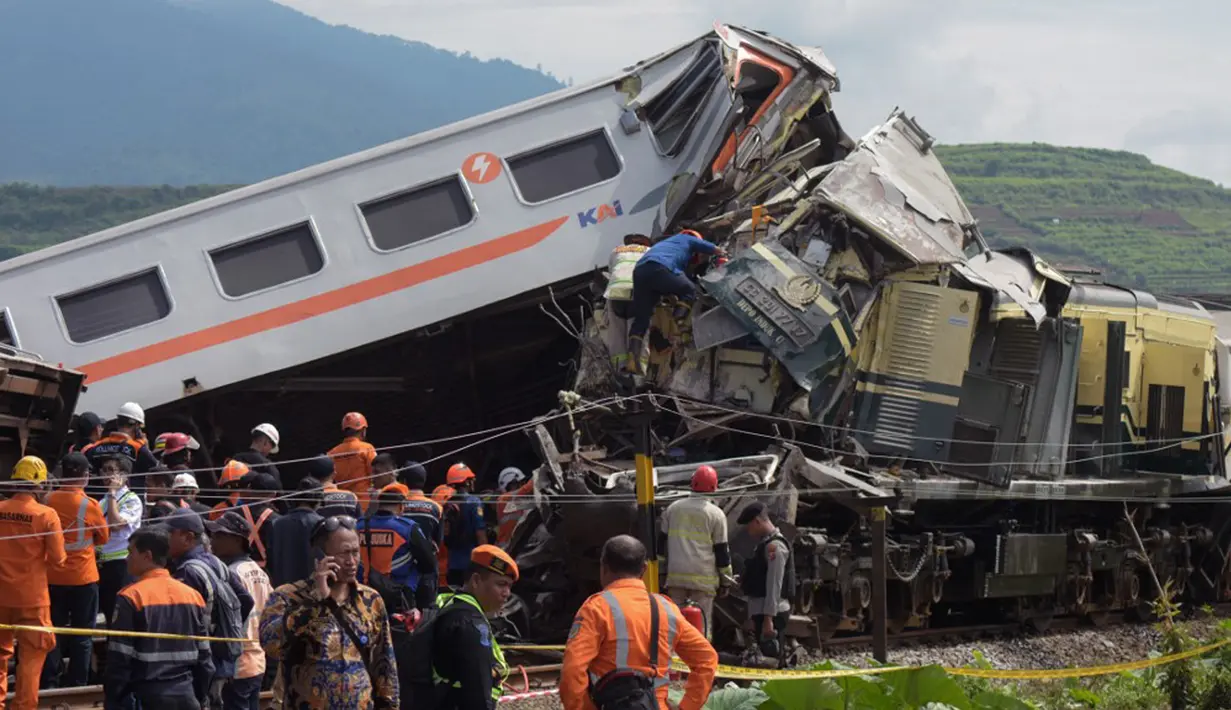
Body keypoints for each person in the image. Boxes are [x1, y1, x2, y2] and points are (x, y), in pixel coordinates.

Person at [561, 535, 717, 710]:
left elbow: (572, 671)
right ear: (643, 569)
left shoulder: (596, 608)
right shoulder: (666, 608)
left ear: (603, 567)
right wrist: (687, 706)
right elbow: (707, 660)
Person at [259, 516, 398, 710]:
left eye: (355, 553)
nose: (351, 562)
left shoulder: (370, 600)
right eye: (344, 554)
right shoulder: (288, 597)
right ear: (320, 556)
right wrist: (317, 601)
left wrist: (390, 705)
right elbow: (271, 645)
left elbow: (385, 664)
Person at [105, 528, 214, 710]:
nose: (127, 558)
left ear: (147, 555)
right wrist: (200, 697)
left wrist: (114, 700)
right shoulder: (192, 596)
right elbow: (205, 658)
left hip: (146, 698)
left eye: (131, 552)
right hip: (186, 696)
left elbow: (119, 660)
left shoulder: (131, 597)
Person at [164, 508, 255, 704]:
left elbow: (185, 622)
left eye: (170, 533)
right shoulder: (216, 562)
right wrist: (228, 629)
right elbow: (246, 600)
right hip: (221, 659)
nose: (166, 539)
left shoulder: (188, 571)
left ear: (188, 538)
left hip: (203, 662)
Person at [0, 456, 66, 709]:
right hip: (32, 600)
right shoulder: (46, 515)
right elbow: (59, 559)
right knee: (31, 657)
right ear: (39, 484)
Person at [43, 453, 110, 689]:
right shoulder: (88, 505)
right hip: (84, 578)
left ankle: (50, 681)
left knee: (53, 631)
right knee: (83, 635)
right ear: (85, 476)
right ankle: (78, 682)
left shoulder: (47, 500)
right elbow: (103, 537)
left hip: (53, 576)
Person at [430, 545, 519, 710]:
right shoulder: (472, 624)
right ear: (476, 581)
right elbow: (477, 693)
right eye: (501, 584)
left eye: (509, 587)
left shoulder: (450, 605)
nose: (507, 593)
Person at [625, 231, 725, 373]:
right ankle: (679, 323)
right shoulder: (687, 238)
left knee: (642, 319)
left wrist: (675, 302)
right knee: (690, 290)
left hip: (640, 272)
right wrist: (723, 253)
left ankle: (632, 360)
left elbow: (669, 287)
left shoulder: (665, 245)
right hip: (659, 266)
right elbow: (711, 248)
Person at [208, 513, 273, 710]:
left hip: (238, 663)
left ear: (237, 540)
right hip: (256, 661)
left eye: (219, 536)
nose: (213, 541)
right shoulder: (258, 571)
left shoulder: (232, 573)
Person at [659, 464, 732, 639]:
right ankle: (700, 663)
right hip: (703, 581)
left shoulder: (673, 508)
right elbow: (722, 551)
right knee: (701, 627)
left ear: (692, 483)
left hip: (676, 577)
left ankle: (673, 662)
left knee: (674, 627)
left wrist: (661, 573)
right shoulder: (716, 514)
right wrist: (726, 581)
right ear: (714, 486)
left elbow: (661, 546)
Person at [356, 484, 437, 612]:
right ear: (401, 506)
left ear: (379, 504)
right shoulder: (407, 528)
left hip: (362, 596)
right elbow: (429, 565)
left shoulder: (358, 526)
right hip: (398, 599)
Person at [737, 502, 794, 659]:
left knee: (772, 658)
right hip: (762, 611)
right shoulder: (764, 545)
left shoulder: (775, 547)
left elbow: (774, 585)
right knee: (764, 658)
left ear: (757, 521)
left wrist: (769, 619)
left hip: (771, 613)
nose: (748, 531)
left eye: (749, 526)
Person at [97, 454, 144, 622]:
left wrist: (112, 492)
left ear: (123, 475)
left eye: (111, 470)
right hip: (101, 564)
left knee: (117, 616)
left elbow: (116, 524)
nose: (106, 475)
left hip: (120, 564)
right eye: (104, 470)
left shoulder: (131, 500)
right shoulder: (103, 501)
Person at [266, 477, 324, 589]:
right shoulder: (321, 523)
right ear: (317, 501)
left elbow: (270, 561)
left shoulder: (276, 524)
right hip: (312, 592)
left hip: (283, 591)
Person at [82, 402, 160, 479]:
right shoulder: (137, 448)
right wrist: (147, 449)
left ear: (117, 422)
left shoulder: (94, 447)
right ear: (136, 426)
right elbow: (159, 471)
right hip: (129, 491)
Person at [440, 463, 488, 588]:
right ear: (466, 482)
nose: (473, 483)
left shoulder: (448, 504)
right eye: (471, 480)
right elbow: (480, 533)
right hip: (470, 565)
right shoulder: (474, 502)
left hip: (453, 565)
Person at [328, 412, 378, 510]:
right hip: (364, 504)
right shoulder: (367, 448)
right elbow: (376, 474)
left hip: (342, 504)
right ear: (363, 431)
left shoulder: (332, 453)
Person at [235, 472, 281, 569]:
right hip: (265, 571)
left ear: (251, 490)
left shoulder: (234, 513)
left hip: (238, 568)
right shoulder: (277, 520)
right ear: (273, 494)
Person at [230, 423, 282, 488]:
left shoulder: (235, 459)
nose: (269, 452)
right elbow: (279, 494)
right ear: (265, 443)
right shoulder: (269, 466)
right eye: (271, 447)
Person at [494, 467, 534, 547]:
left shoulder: (519, 501)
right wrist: (540, 473)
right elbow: (527, 489)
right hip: (505, 548)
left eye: (522, 483)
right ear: (507, 485)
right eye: (518, 483)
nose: (521, 485)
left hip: (515, 546)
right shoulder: (502, 500)